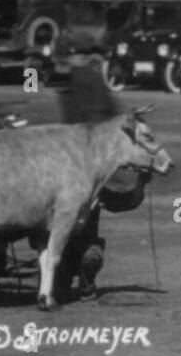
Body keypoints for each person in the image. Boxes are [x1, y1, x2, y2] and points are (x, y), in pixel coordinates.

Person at [53, 61, 150, 300]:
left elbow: (122, 202)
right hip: (60, 249)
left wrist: (140, 184)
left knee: (90, 256)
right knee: (61, 282)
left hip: (82, 248)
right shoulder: (64, 187)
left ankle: (85, 286)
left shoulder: (95, 185)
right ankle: (63, 285)